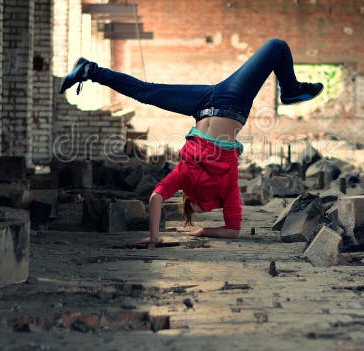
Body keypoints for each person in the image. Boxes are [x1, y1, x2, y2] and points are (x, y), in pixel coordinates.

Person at [59, 38, 323, 245]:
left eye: (197, 210)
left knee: (147, 92)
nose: (201, 209)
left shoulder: (189, 178)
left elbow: (160, 199)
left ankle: (90, 70)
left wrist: (162, 235)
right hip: (226, 102)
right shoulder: (215, 186)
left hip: (207, 104)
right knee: (276, 46)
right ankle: (289, 91)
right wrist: (201, 230)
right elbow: (230, 229)